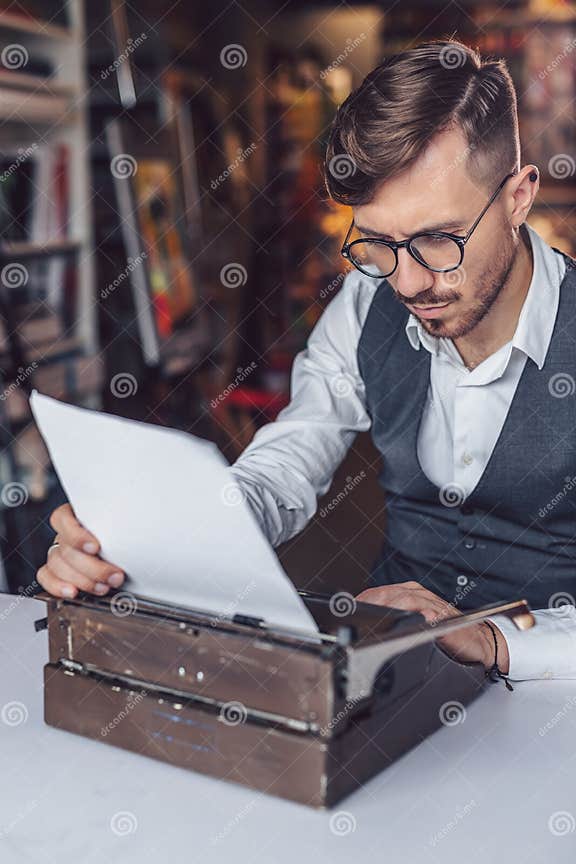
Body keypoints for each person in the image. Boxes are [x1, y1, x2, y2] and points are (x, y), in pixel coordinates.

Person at [36, 38, 576, 682]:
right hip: (393, 672)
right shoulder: (365, 301)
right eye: (378, 242)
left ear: (519, 196)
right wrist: (150, 538)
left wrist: (493, 640)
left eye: (438, 238)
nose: (404, 283)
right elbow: (288, 462)